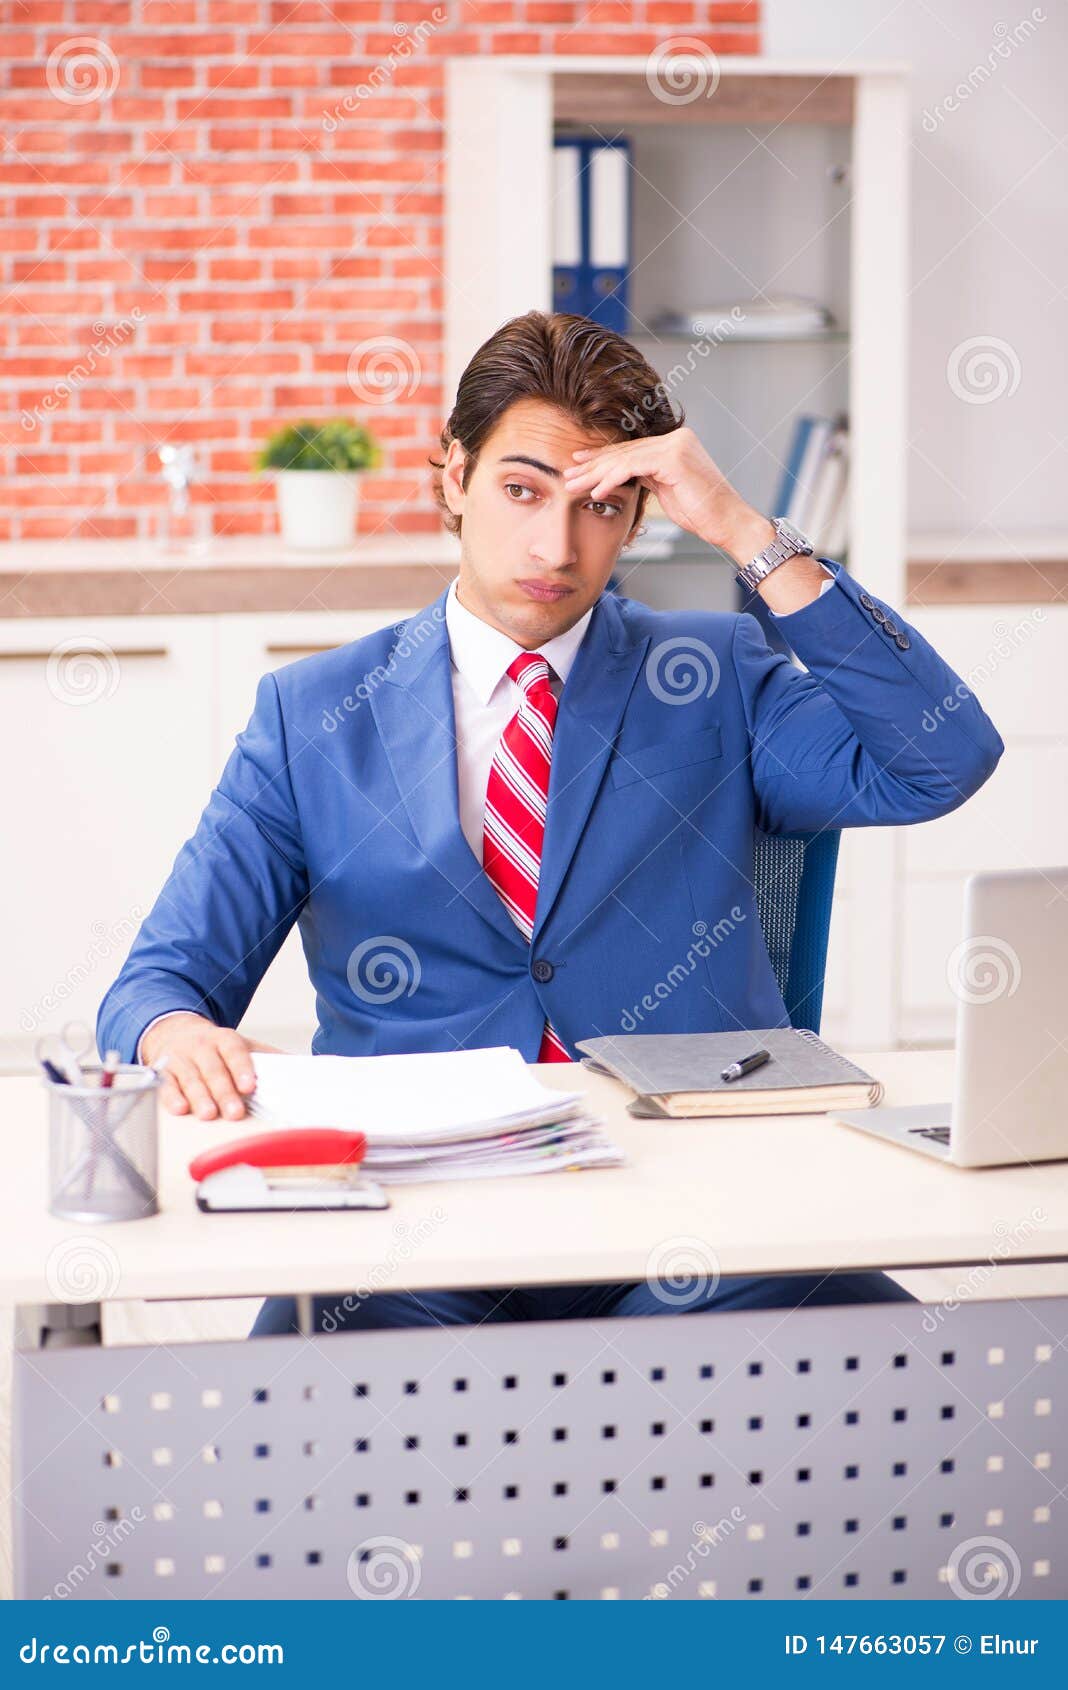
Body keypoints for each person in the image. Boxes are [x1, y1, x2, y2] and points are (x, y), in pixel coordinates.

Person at [96, 310, 1004, 1336]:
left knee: (936, 1387)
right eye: (522, 490)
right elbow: (159, 983)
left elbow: (942, 757)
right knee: (307, 1429)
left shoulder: (712, 677)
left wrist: (748, 532)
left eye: (601, 505)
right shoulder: (314, 717)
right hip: (419, 1234)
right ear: (451, 476)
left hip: (699, 1223)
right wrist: (175, 1033)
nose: (556, 544)